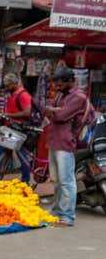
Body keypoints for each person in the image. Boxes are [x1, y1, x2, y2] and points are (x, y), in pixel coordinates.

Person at [45, 67, 89, 227]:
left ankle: (68, 216)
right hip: (54, 140)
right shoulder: (60, 95)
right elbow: (49, 109)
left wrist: (54, 111)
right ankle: (57, 211)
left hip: (65, 142)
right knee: (56, 180)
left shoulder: (78, 97)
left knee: (66, 180)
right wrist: (52, 110)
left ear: (70, 81)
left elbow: (60, 115)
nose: (57, 86)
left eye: (60, 83)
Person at [0, 73, 33, 184]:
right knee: (19, 155)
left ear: (15, 83)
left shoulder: (23, 95)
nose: (6, 88)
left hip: (17, 130)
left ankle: (25, 180)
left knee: (4, 153)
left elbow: (27, 112)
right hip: (12, 129)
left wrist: (7, 115)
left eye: (8, 85)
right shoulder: (14, 94)